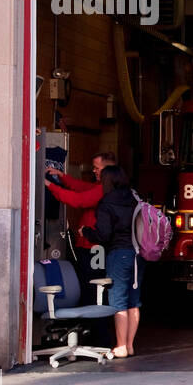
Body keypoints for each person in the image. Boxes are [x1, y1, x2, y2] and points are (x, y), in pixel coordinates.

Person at [82, 166, 141, 359]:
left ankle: (121, 346)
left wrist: (86, 232)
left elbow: (103, 235)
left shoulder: (106, 203)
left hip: (119, 254)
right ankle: (130, 345)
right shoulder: (134, 199)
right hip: (138, 255)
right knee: (134, 302)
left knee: (118, 302)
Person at [44, 151, 115, 304]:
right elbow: (83, 187)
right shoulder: (102, 186)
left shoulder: (104, 189)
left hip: (94, 247)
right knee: (89, 284)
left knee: (92, 286)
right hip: (91, 245)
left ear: (107, 169)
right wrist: (62, 176)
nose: (93, 171)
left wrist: (50, 186)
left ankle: (94, 324)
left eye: (97, 168)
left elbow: (78, 200)